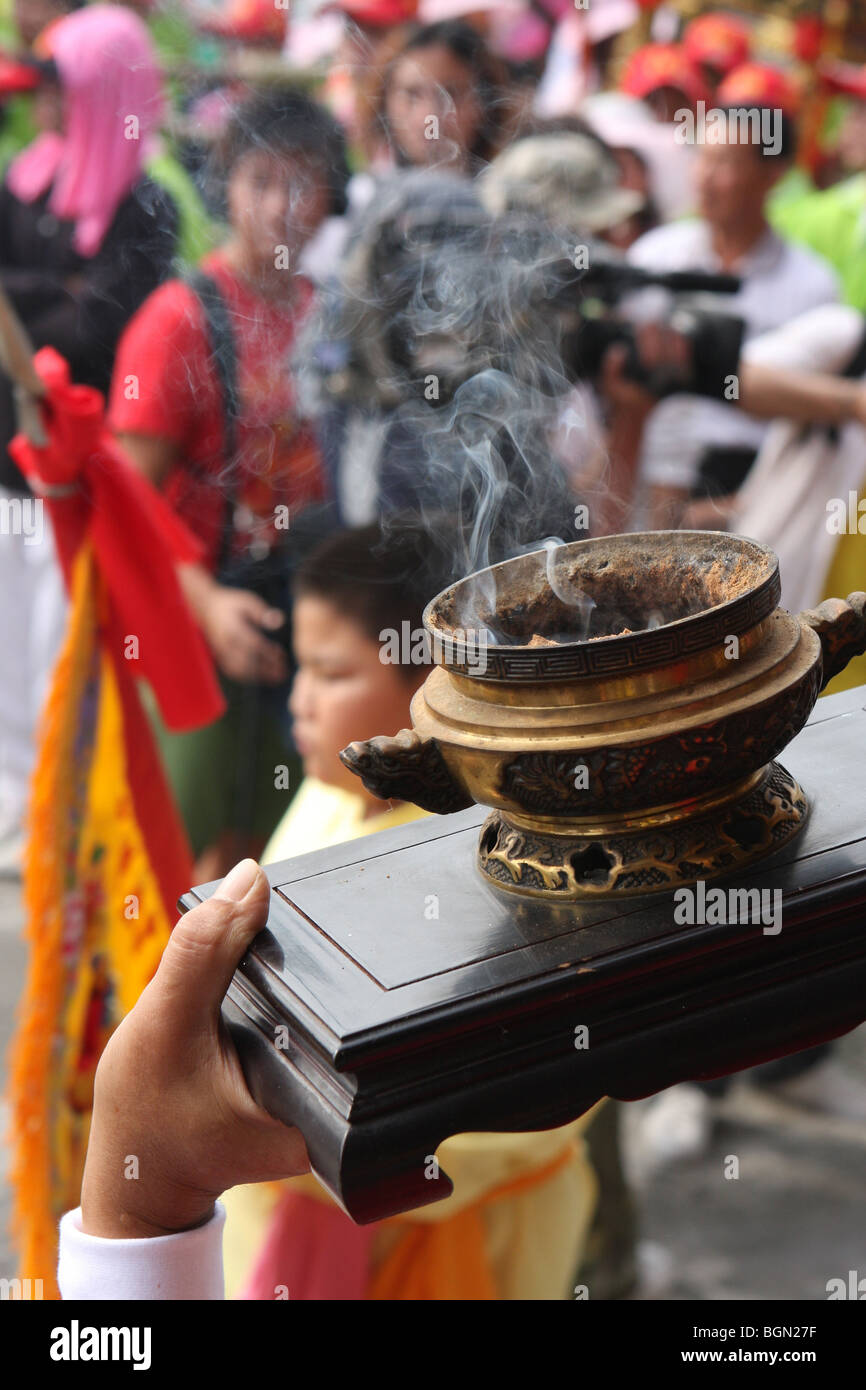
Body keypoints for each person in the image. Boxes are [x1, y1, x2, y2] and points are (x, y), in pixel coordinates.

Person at [109, 88, 350, 881]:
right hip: (192, 624)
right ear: (226, 189)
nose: (284, 205)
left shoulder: (328, 313)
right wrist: (203, 602)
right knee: (176, 865)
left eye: (304, 182)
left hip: (293, 622)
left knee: (272, 866)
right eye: (261, 181)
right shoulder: (178, 319)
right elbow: (124, 499)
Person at [0, 2, 178, 874]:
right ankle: (11, 805)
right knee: (8, 637)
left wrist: (35, 300)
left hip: (89, 469)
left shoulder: (147, 208)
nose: (46, 107)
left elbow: (90, 331)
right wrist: (53, 290)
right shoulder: (23, 182)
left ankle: (67, 809)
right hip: (9, 458)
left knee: (69, 636)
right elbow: (56, 311)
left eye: (64, 90)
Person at [625, 104, 841, 528]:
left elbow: (812, 424)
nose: (704, 178)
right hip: (648, 492)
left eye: (724, 162)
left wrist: (746, 506)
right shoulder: (654, 258)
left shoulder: (812, 286)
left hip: (756, 501)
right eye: (702, 157)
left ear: (773, 175)